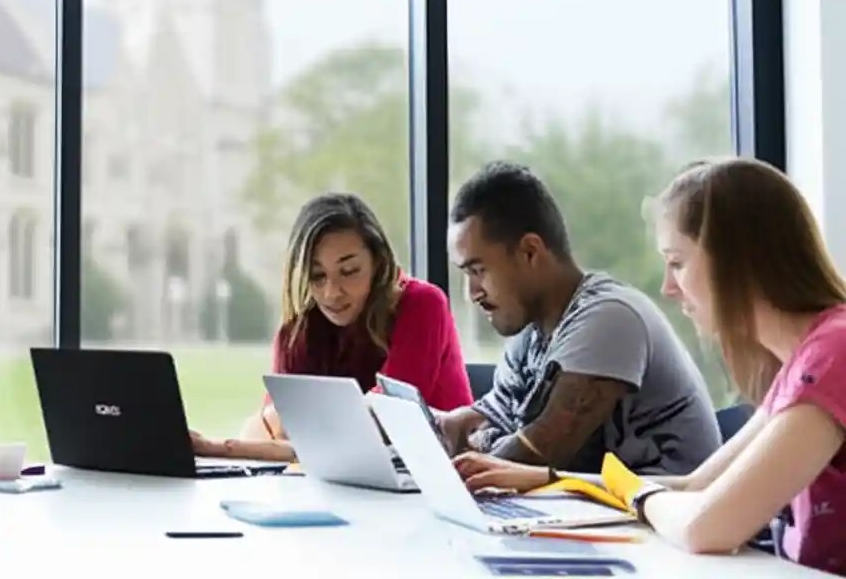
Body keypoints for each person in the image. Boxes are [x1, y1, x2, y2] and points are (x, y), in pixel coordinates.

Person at [455, 158, 846, 574]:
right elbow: (697, 485)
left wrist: (636, 498)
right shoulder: (805, 360)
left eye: (677, 262)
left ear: (737, 261)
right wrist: (552, 480)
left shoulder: (834, 353)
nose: (668, 287)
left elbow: (703, 526)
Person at [438, 162, 720, 474]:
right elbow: (484, 424)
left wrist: (470, 454)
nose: (472, 292)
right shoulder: (531, 334)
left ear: (530, 252)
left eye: (478, 271)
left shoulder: (610, 317)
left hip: (663, 516)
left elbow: (540, 452)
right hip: (600, 513)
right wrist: (437, 428)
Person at [193, 192, 473, 462]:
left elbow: (388, 419)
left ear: (378, 262)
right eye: (317, 276)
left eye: (349, 271)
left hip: (438, 482)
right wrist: (218, 448)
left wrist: (230, 444)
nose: (331, 293)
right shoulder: (297, 334)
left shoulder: (422, 304)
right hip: (339, 487)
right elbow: (277, 432)